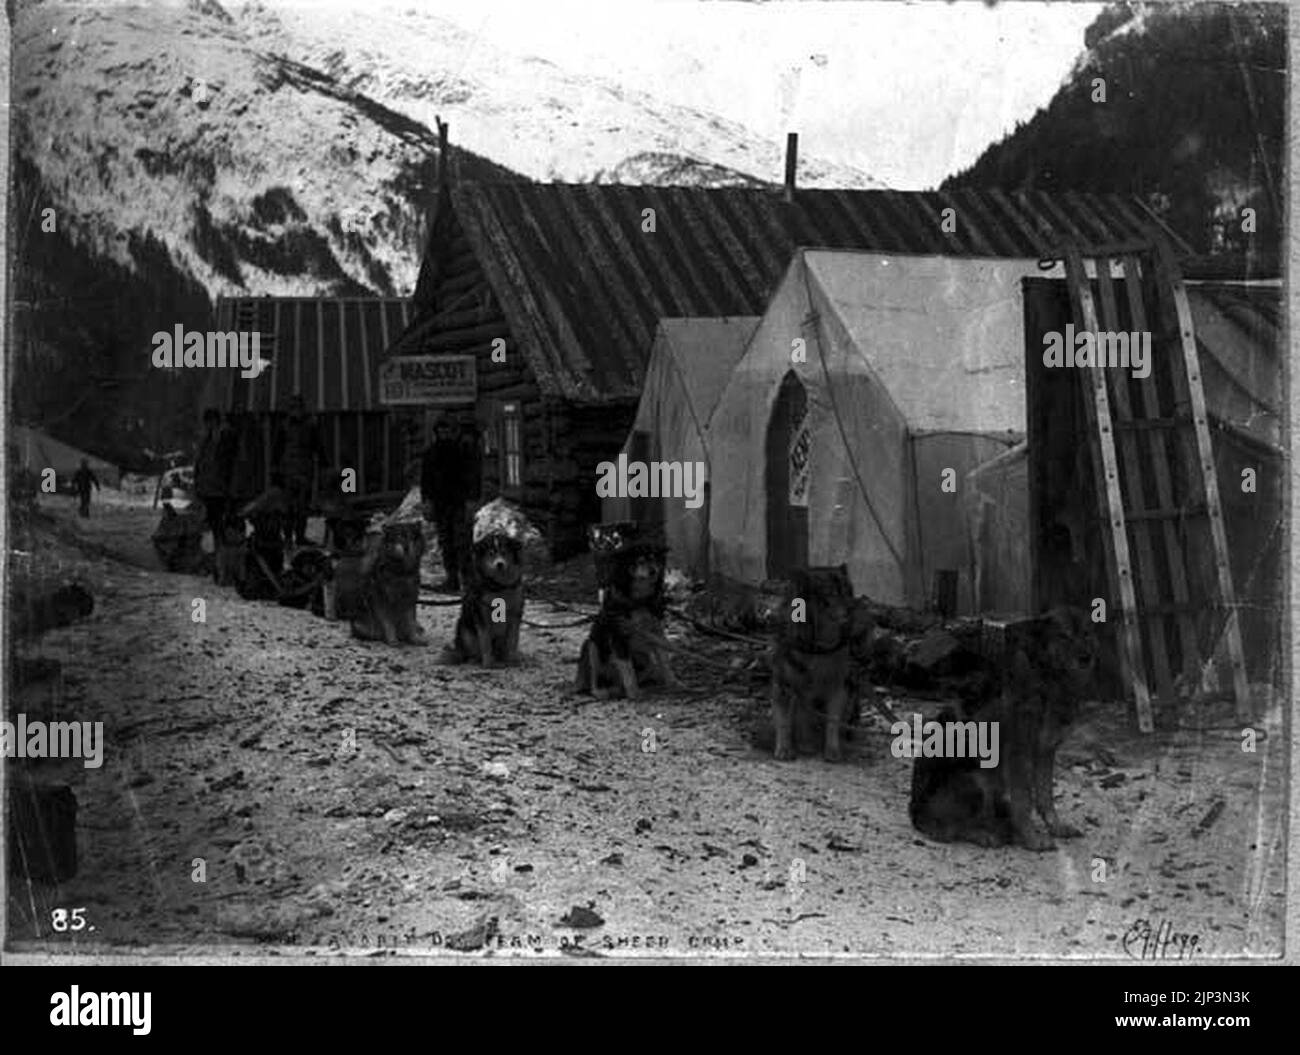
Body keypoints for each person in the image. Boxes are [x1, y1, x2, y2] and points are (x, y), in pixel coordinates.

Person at [420, 418, 477, 591]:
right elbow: (426, 480)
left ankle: (468, 580)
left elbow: (471, 477)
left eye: (447, 431)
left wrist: (471, 499)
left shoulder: (461, 452)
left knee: (463, 542)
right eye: (441, 432)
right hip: (440, 503)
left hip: (458, 502)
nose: (444, 435)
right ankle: (452, 579)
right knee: (446, 542)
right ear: (436, 433)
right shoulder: (431, 453)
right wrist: (427, 501)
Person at [272, 395, 329, 547]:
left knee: (301, 508)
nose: (296, 411)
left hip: (303, 471)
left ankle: (299, 537)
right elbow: (277, 450)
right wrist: (276, 469)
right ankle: (289, 538)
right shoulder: (285, 425)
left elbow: (318, 447)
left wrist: (324, 465)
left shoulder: (310, 425)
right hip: (289, 471)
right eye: (293, 407)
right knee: (289, 508)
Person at [194, 408, 235, 543]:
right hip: (208, 486)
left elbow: (225, 462)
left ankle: (221, 548)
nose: (208, 424)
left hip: (218, 487)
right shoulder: (206, 438)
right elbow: (200, 462)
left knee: (218, 520)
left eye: (209, 421)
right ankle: (218, 548)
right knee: (213, 520)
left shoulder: (223, 436)